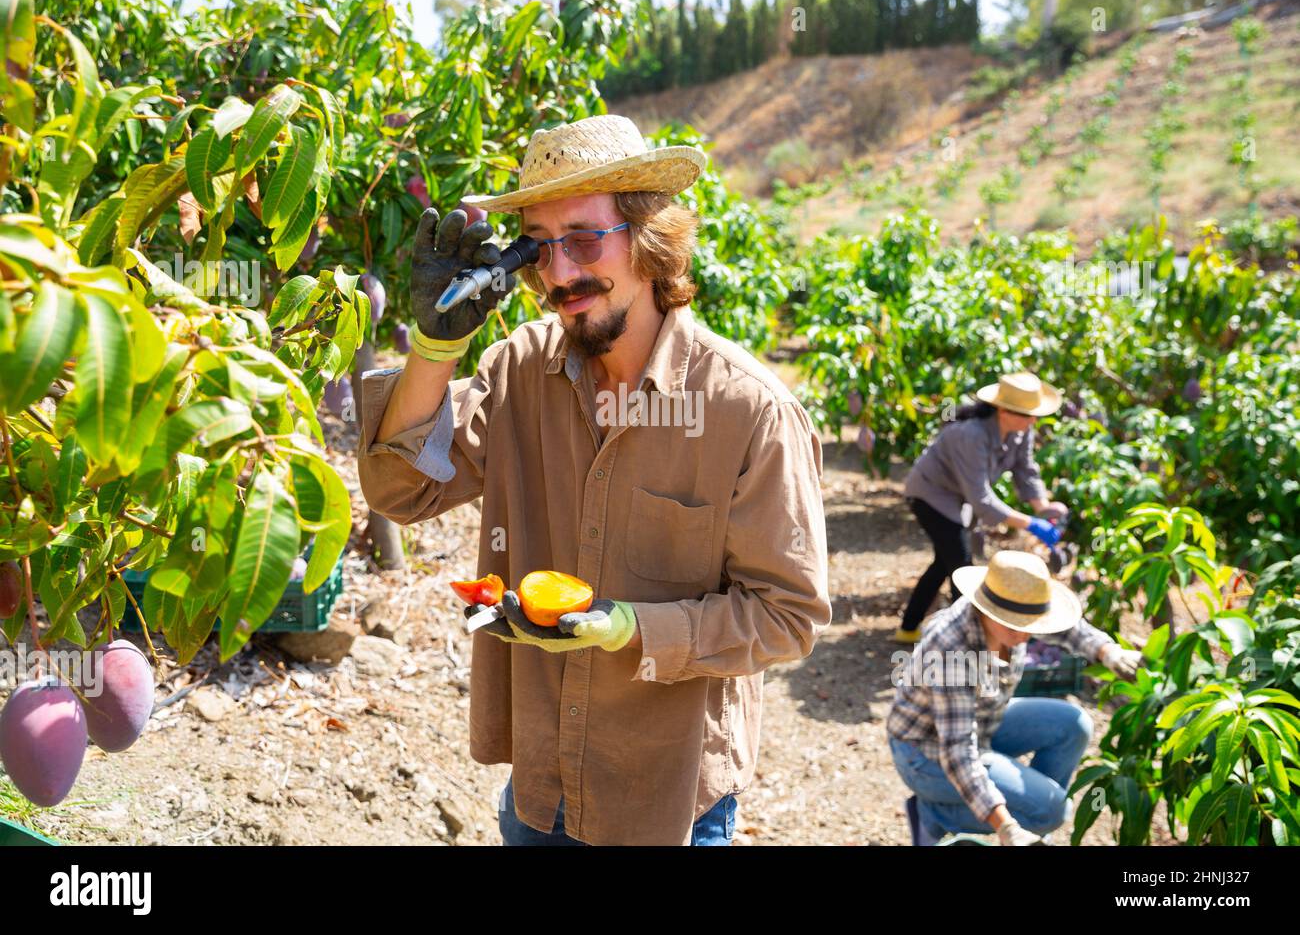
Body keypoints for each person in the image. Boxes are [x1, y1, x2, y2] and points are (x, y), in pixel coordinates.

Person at [355, 114, 832, 846]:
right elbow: (403, 492)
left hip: (668, 802)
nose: (561, 274)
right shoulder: (521, 372)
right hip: (539, 792)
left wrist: (634, 627)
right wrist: (434, 347)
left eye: (583, 239)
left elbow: (788, 615)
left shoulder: (747, 411)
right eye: (538, 250)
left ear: (648, 239)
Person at [887, 549, 1143, 845]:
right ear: (986, 610)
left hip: (984, 721)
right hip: (926, 752)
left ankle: (1033, 822)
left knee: (1073, 725)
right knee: (1053, 810)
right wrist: (1005, 824)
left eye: (1030, 624)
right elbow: (958, 751)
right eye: (1015, 625)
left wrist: (1106, 651)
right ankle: (933, 812)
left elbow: (1066, 630)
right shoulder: (950, 652)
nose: (1025, 634)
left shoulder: (1013, 618)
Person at [894, 371, 1069, 645]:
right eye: (1027, 414)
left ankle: (908, 627)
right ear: (1003, 410)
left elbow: (1026, 470)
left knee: (944, 562)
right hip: (930, 494)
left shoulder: (1022, 430)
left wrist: (1043, 507)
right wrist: (1030, 523)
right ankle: (973, 642)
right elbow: (981, 499)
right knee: (961, 567)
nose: (1033, 420)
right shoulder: (971, 435)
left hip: (956, 499)